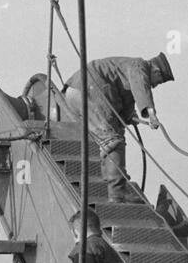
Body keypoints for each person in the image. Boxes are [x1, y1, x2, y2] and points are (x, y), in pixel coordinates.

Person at [63, 53, 173, 203]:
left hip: (77, 92)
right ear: (156, 71)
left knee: (110, 136)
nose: (154, 86)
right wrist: (152, 114)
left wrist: (130, 117)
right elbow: (141, 85)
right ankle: (117, 194)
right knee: (112, 140)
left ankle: (115, 184)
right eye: (158, 82)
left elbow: (126, 100)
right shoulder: (139, 66)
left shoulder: (126, 70)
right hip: (89, 90)